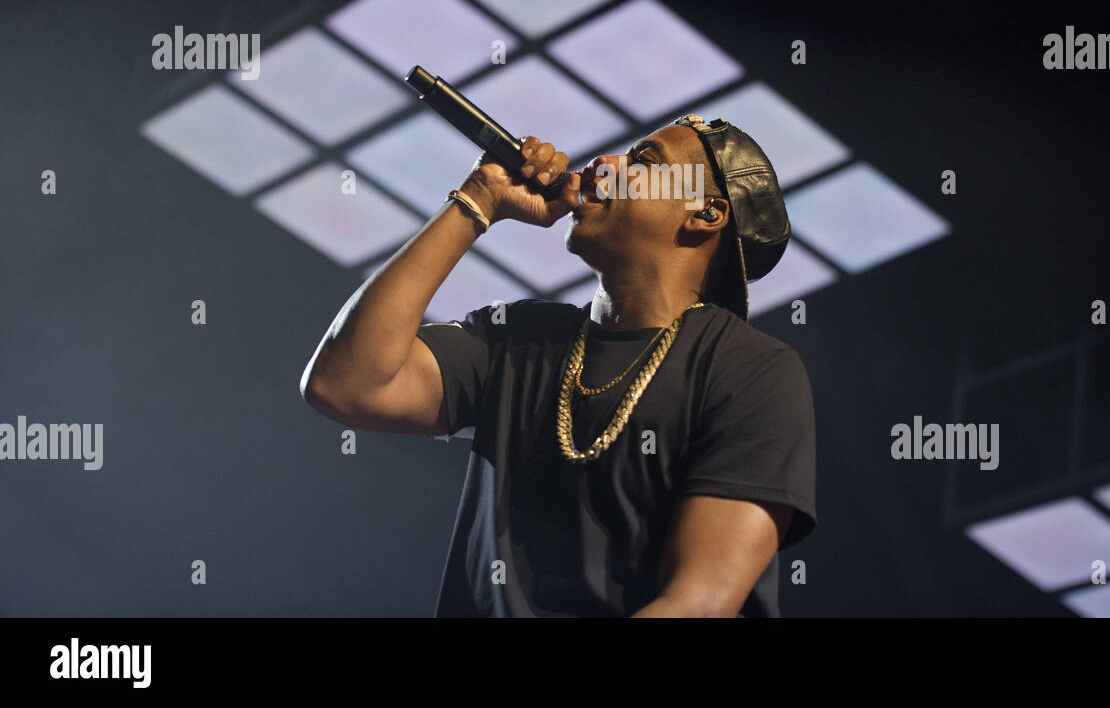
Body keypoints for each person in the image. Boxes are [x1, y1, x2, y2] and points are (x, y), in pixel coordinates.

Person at [300, 112, 816, 616]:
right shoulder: (518, 339)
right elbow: (345, 384)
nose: (602, 163)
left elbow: (698, 604)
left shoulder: (750, 370)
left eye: (643, 159)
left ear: (705, 213)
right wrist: (478, 199)